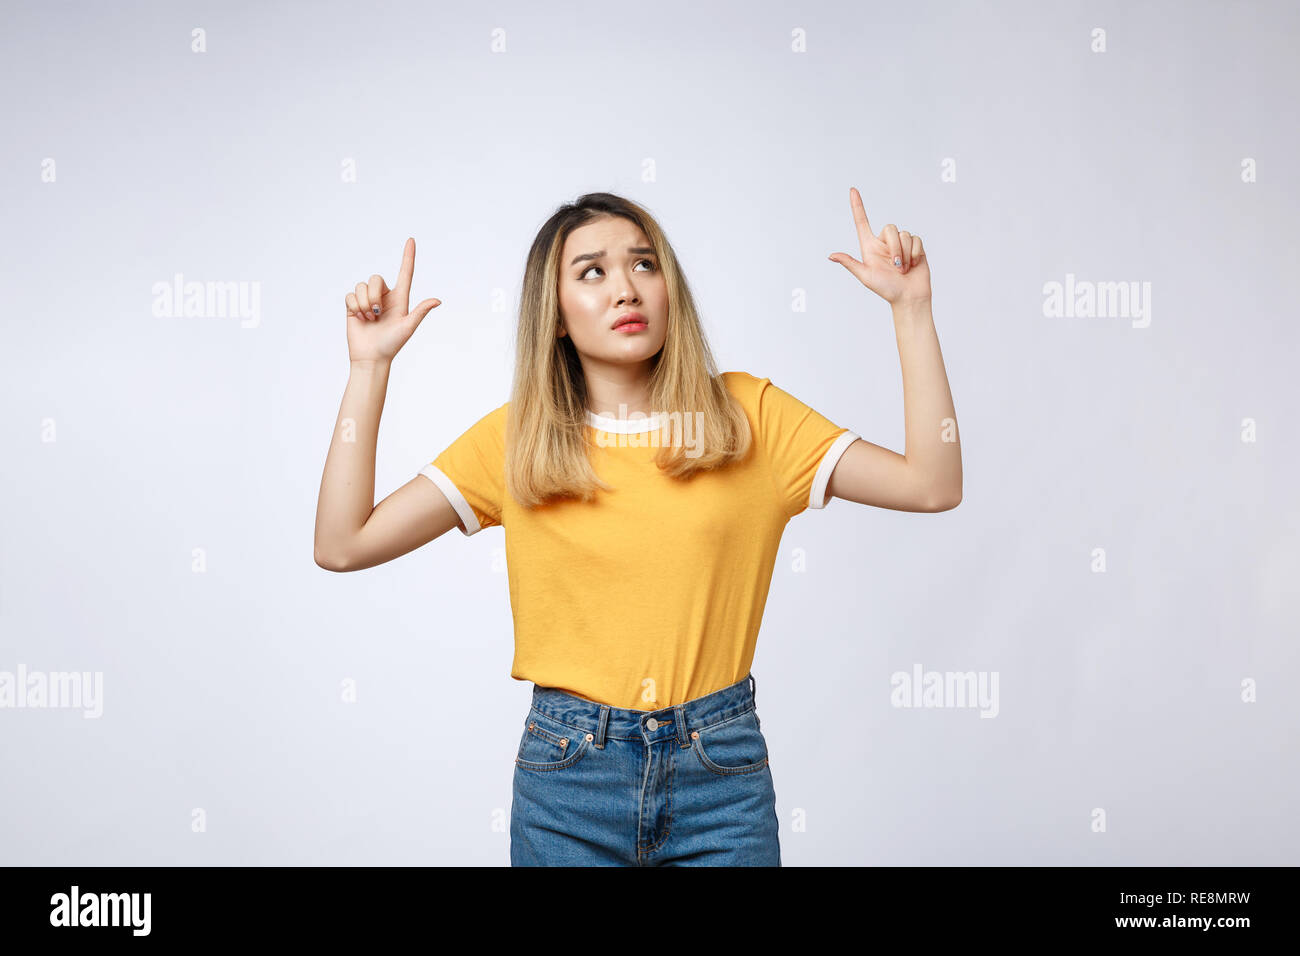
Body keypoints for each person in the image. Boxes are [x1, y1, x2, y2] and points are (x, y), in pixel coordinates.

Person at [313, 189, 961, 866]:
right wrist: (368, 368)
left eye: (644, 265)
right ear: (556, 315)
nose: (625, 288)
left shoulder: (750, 417)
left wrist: (912, 310)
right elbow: (341, 543)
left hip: (721, 778)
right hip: (568, 780)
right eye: (591, 272)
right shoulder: (520, 440)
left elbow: (932, 485)